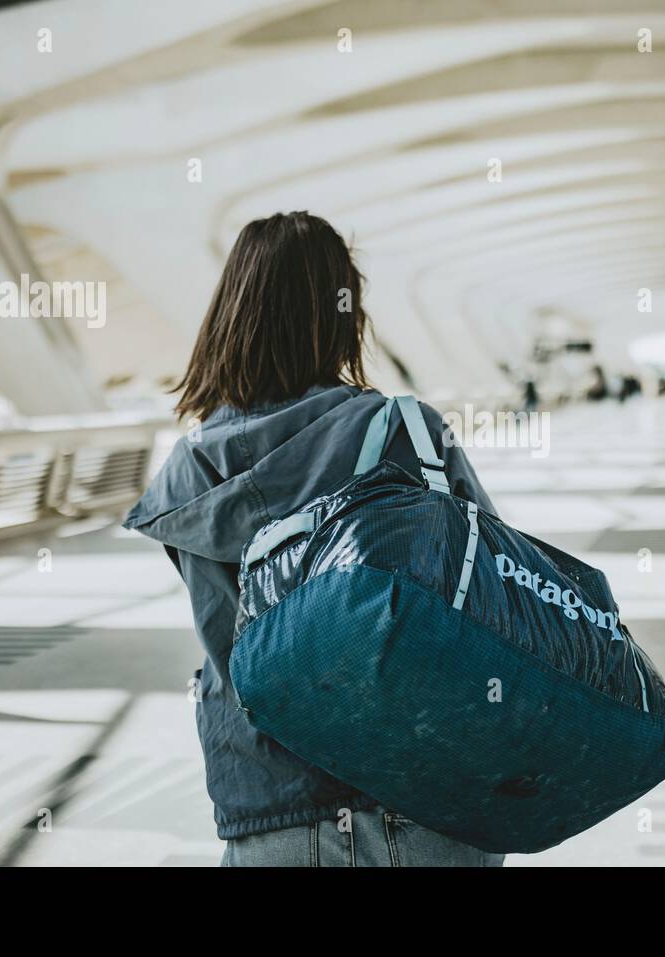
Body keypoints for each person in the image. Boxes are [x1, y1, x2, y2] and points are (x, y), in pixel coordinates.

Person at [123, 211, 503, 867]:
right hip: (430, 794)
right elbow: (492, 583)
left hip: (275, 805)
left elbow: (228, 634)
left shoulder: (192, 469)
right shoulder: (404, 432)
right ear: (344, 313)